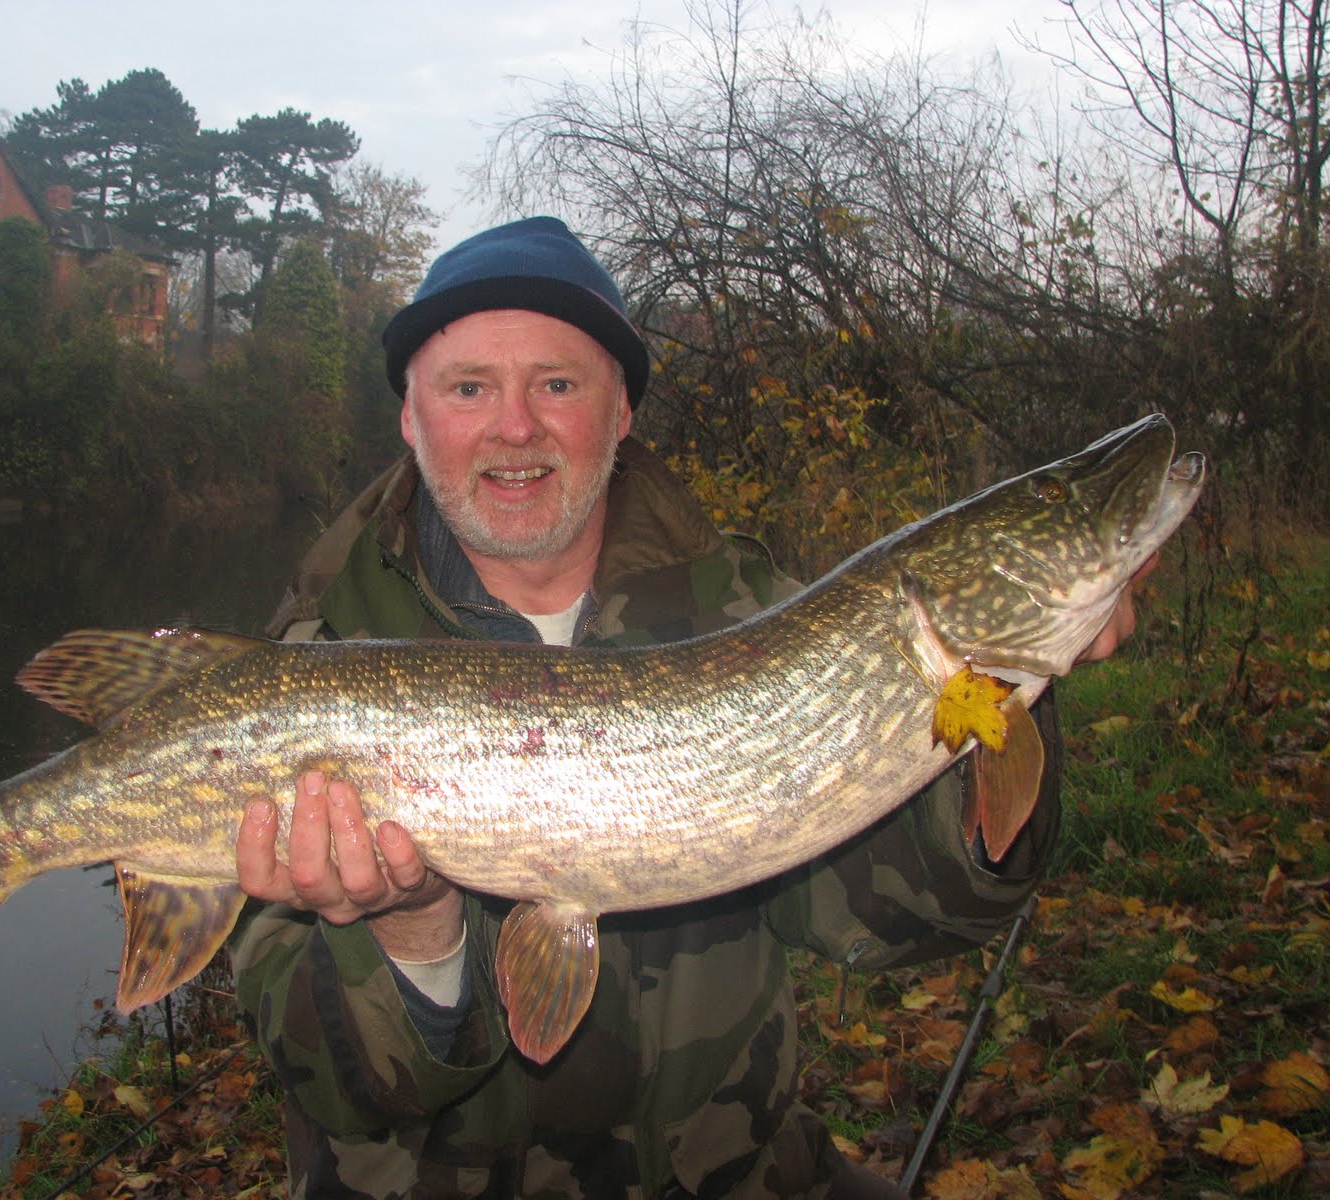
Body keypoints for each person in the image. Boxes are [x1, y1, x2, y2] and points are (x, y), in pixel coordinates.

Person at [229, 216, 1144, 1199]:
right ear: (409, 420)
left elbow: (910, 920)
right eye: (467, 388)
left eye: (558, 383)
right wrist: (415, 937)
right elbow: (326, 1081)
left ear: (621, 415)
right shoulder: (309, 671)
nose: (514, 426)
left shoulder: (747, 610)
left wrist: (1000, 709)